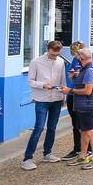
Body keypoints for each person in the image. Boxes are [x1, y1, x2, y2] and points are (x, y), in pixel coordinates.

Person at [23, 39, 68, 170]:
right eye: (53, 54)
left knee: (52, 128)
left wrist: (63, 96)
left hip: (56, 99)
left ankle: (47, 153)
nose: (55, 57)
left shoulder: (60, 62)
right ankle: (27, 158)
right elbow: (30, 81)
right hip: (42, 99)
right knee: (39, 128)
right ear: (48, 50)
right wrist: (42, 85)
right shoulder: (36, 62)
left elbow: (63, 80)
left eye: (57, 54)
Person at [64, 41, 93, 161]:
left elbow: (88, 90)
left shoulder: (90, 69)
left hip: (87, 103)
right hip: (80, 103)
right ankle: (82, 154)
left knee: (90, 131)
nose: (77, 61)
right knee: (82, 129)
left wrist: (70, 90)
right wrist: (75, 75)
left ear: (82, 58)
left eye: (78, 59)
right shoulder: (85, 68)